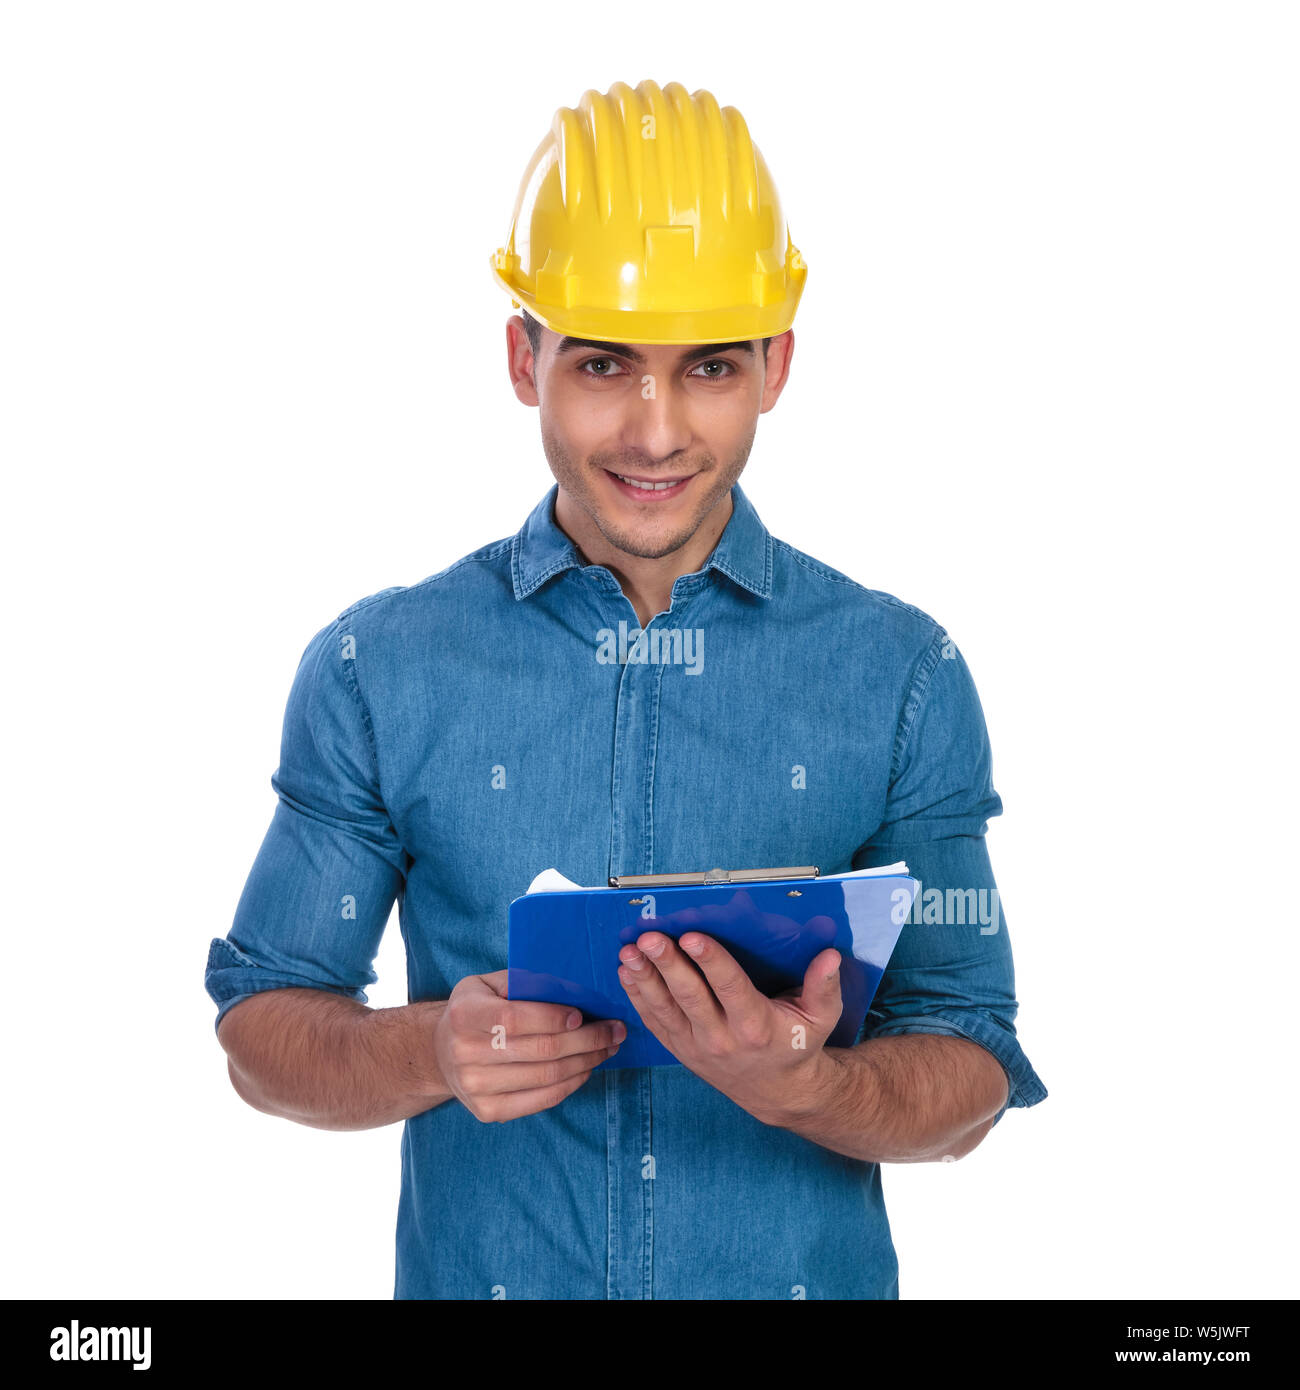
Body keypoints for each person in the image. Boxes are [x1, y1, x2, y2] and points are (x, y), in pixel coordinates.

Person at [205, 78, 1047, 1300]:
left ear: (776, 365)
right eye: (604, 363)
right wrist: (434, 1047)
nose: (654, 433)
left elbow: (968, 1056)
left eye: (706, 367)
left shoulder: (902, 677)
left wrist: (811, 1086)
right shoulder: (377, 668)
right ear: (522, 356)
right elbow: (265, 1028)